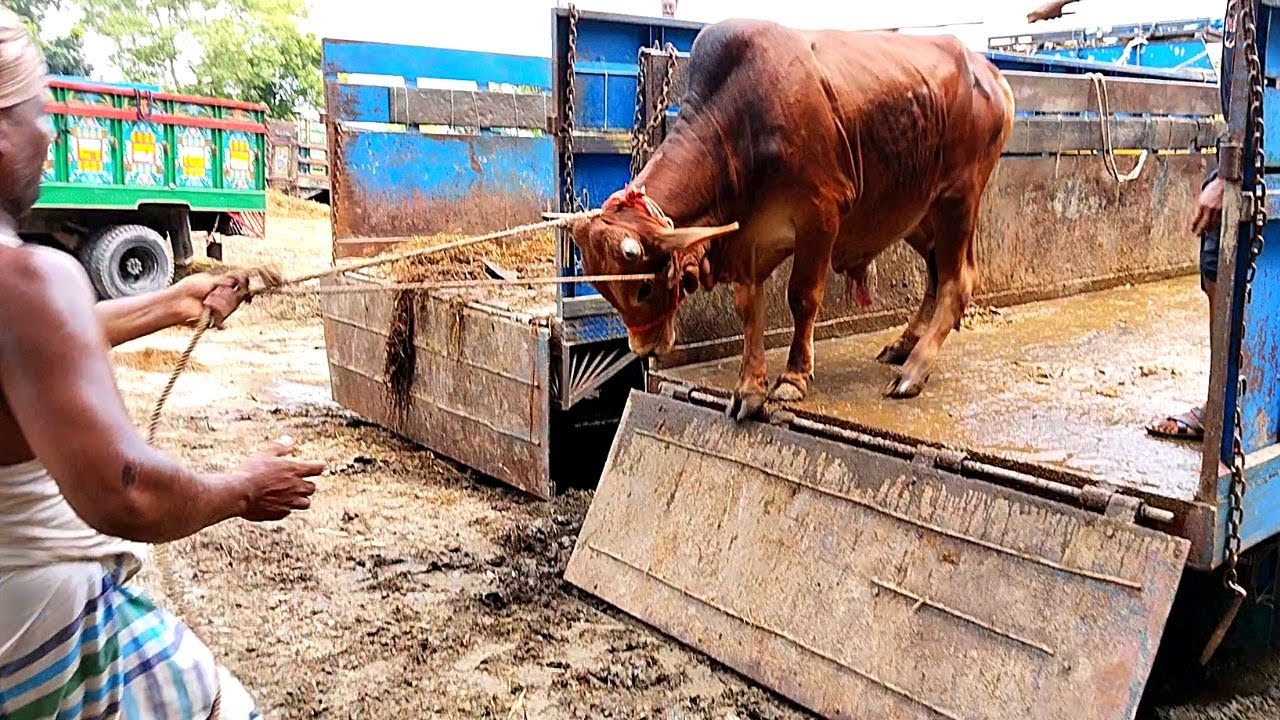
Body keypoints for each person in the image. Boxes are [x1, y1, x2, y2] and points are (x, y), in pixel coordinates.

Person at [0, 10, 324, 719]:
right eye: (39, 113)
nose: (52, 133)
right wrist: (243, 488)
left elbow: (33, 353)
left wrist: (168, 306)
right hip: (38, 625)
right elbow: (126, 491)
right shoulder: (31, 281)